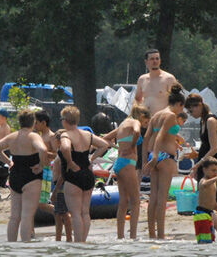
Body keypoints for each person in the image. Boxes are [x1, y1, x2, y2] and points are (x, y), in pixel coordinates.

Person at [0, 110, 50, 242]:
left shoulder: (12, 136)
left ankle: (11, 246)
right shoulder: (33, 136)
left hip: (15, 175)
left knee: (14, 217)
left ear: (20, 122)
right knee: (27, 216)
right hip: (31, 176)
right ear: (33, 123)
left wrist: (8, 161)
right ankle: (25, 247)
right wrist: (41, 165)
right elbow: (43, 149)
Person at [59, 106, 110, 243]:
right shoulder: (87, 134)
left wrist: (69, 162)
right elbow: (104, 145)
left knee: (75, 213)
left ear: (65, 121)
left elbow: (65, 147)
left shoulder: (66, 134)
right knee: (85, 212)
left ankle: (78, 243)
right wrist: (91, 159)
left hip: (73, 175)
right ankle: (84, 241)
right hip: (88, 175)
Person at [143, 84, 186, 237]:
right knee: (162, 198)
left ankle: (151, 234)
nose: (182, 111)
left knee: (153, 196)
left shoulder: (156, 115)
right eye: (182, 107)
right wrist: (155, 154)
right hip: (165, 157)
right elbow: (161, 135)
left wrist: (145, 160)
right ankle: (161, 235)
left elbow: (147, 137)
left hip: (154, 156)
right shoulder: (171, 115)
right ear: (179, 104)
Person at [103, 104, 150, 240]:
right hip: (128, 164)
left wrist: (117, 146)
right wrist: (133, 145)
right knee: (135, 201)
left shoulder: (123, 124)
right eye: (145, 122)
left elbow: (105, 138)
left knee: (123, 201)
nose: (145, 125)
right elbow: (136, 132)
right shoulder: (135, 122)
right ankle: (133, 237)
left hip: (119, 163)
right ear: (141, 117)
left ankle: (120, 236)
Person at [185, 93, 217, 212]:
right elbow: (207, 146)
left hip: (215, 161)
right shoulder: (203, 121)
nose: (191, 114)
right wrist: (198, 155)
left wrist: (198, 164)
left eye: (191, 111)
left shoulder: (210, 120)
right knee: (204, 190)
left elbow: (214, 148)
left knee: (216, 189)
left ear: (199, 105)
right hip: (206, 159)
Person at [36, 111, 70, 242]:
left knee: (42, 204)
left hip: (48, 171)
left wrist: (42, 153)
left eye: (36, 122)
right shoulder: (39, 136)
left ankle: (64, 217)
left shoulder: (51, 136)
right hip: (41, 170)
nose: (34, 125)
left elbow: (58, 155)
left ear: (43, 123)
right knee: (37, 203)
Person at [193, 157, 217, 244]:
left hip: (211, 213)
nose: (216, 173)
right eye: (213, 170)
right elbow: (204, 184)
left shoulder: (213, 183)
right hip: (202, 214)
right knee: (205, 241)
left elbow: (212, 200)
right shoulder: (203, 181)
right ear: (204, 170)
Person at [134, 49, 179, 116]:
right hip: (147, 122)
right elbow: (137, 100)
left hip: (163, 120)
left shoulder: (169, 79)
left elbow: (177, 102)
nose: (155, 61)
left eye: (157, 59)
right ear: (146, 62)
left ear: (160, 61)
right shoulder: (142, 79)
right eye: (152, 59)